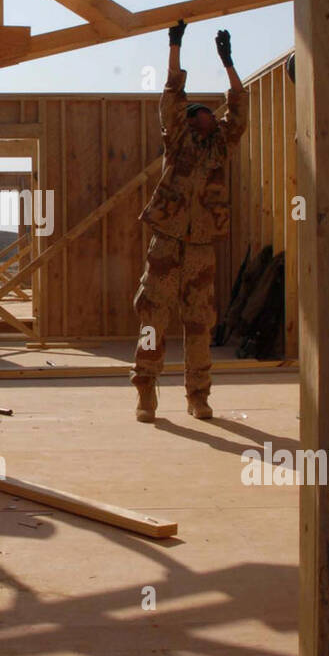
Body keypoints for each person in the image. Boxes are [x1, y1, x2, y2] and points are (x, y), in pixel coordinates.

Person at [132, 22, 248, 422]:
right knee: (153, 315)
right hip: (167, 238)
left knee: (199, 322)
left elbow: (239, 108)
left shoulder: (220, 147)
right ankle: (146, 388)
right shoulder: (179, 140)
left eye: (210, 114)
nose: (208, 116)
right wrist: (175, 45)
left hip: (201, 244)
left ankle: (198, 394)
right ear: (190, 120)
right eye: (200, 113)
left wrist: (228, 63)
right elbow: (172, 94)